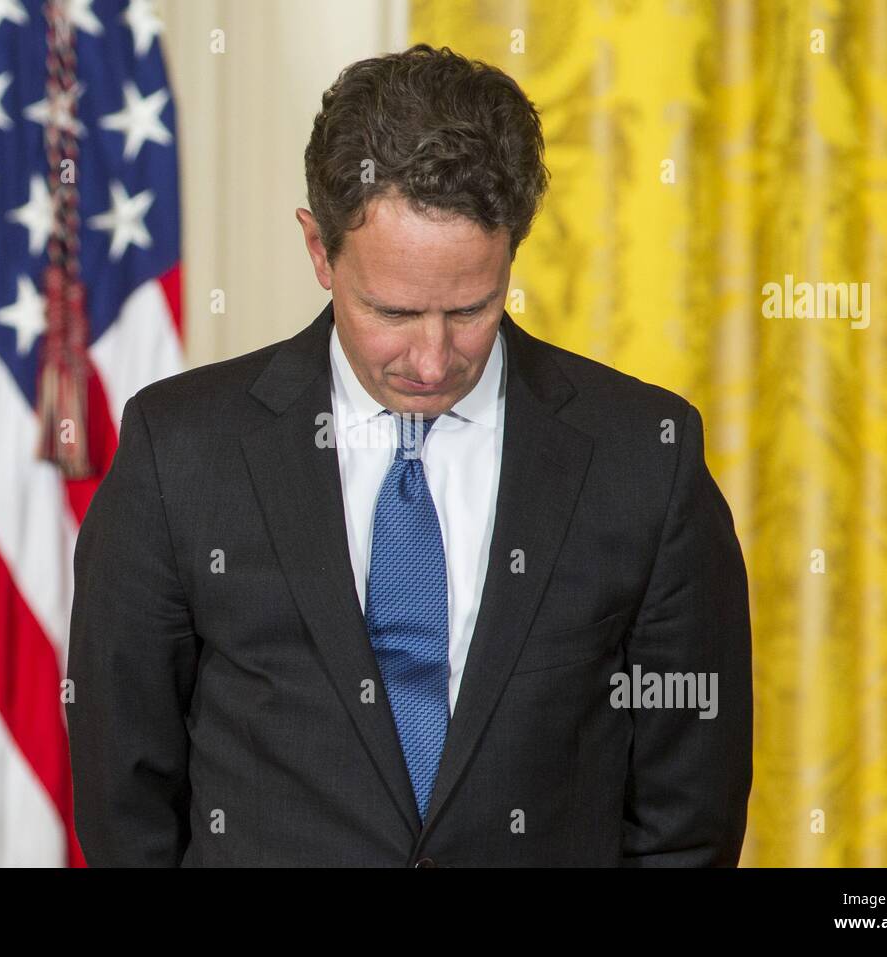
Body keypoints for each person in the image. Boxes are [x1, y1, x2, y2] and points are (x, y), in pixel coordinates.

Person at [66, 43, 752, 867]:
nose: (431, 360)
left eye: (471, 308)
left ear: (512, 254)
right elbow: (124, 792)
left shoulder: (648, 458)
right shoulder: (178, 452)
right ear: (319, 250)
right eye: (390, 310)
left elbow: (689, 814)